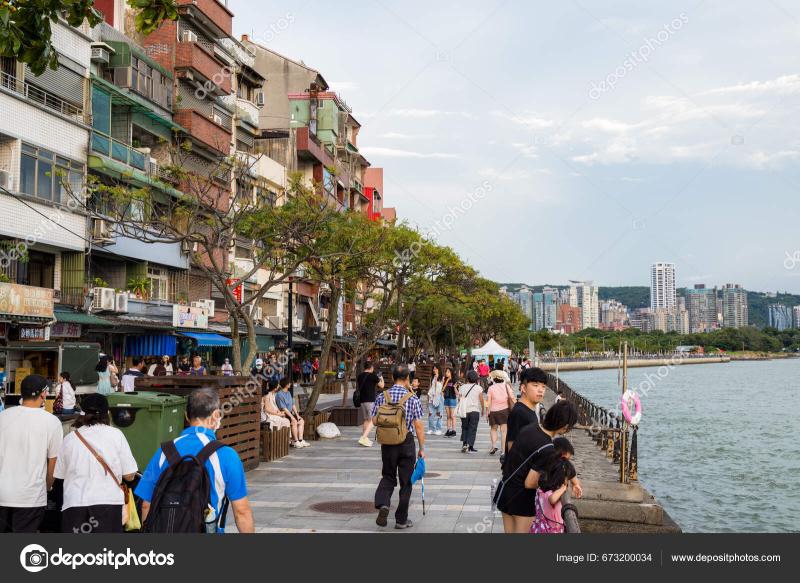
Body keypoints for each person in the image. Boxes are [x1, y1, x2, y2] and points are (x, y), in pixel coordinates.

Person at [135, 388, 255, 533]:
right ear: (216, 415)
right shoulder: (226, 455)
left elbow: (146, 504)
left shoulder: (163, 452)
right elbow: (241, 511)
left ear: (186, 416)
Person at [54, 394, 138, 534]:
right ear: (107, 413)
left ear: (82, 413)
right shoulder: (116, 434)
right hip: (109, 505)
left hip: (75, 505)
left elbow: (59, 475)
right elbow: (129, 475)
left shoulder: (69, 439)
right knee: (106, 554)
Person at [496, 400, 578, 533]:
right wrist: (555, 484)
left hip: (506, 491)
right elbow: (530, 483)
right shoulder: (547, 448)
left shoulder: (530, 428)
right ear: (565, 426)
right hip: (522, 501)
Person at [0, 375, 62, 532]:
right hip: (31, 498)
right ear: (43, 394)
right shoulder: (52, 422)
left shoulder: (3, 416)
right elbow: (53, 463)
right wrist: (47, 487)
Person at [372, 364, 425, 530]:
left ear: (392, 377)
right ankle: (401, 520)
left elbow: (374, 420)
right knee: (406, 481)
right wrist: (422, 447)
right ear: (407, 378)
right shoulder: (412, 397)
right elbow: (418, 426)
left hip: (387, 443)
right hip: (406, 443)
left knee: (388, 475)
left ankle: (383, 504)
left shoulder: (383, 396)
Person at [505, 367, 548, 458]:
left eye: (543, 386)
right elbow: (512, 446)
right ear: (523, 388)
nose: (541, 390)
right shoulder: (519, 412)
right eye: (535, 385)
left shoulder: (527, 410)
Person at [529, 458, 577, 534]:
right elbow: (552, 499)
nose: (567, 482)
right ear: (560, 477)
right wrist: (564, 488)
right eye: (567, 479)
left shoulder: (540, 490)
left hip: (538, 528)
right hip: (550, 530)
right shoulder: (551, 493)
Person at [487, 375, 516, 456]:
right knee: (504, 432)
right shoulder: (506, 386)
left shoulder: (491, 388)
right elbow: (512, 397)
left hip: (493, 411)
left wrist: (487, 412)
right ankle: (503, 451)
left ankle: (493, 446)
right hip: (504, 411)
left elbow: (488, 402)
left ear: (494, 379)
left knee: (493, 429)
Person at [275, 378, 309, 448]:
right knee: (294, 422)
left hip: (290, 413)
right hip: (284, 414)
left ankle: (300, 440)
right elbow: (283, 408)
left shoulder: (288, 393)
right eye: (289, 383)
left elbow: (293, 404)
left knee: (301, 421)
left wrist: (297, 415)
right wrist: (292, 417)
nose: (290, 384)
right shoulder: (279, 394)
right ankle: (295, 441)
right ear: (286, 384)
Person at [357, 362, 384, 447]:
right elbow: (382, 386)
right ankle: (364, 438)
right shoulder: (373, 376)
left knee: (366, 419)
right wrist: (381, 378)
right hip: (370, 400)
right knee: (371, 420)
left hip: (362, 400)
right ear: (371, 367)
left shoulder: (360, 376)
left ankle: (365, 437)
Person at [457, 370, 484, 453]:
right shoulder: (478, 388)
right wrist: (483, 409)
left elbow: (459, 399)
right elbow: (481, 400)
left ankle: (464, 444)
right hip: (474, 411)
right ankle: (470, 446)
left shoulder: (462, 387)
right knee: (472, 428)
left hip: (465, 410)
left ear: (467, 378)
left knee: (464, 427)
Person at [426, 365, 444, 436]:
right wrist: (428, 396)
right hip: (432, 396)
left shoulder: (442, 378)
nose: (434, 370)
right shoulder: (432, 377)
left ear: (439, 369)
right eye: (433, 369)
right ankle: (431, 428)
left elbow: (441, 387)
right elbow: (430, 386)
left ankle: (438, 429)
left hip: (439, 396)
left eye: (436, 369)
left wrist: (436, 378)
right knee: (431, 413)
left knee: (439, 413)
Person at [442, 368, 458, 437]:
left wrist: (455, 387)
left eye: (448, 372)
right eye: (446, 372)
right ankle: (448, 430)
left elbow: (457, 392)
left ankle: (454, 431)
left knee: (452, 416)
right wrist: (445, 380)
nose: (446, 373)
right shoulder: (445, 380)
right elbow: (442, 389)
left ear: (451, 373)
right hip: (446, 399)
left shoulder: (454, 381)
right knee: (448, 416)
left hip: (452, 399)